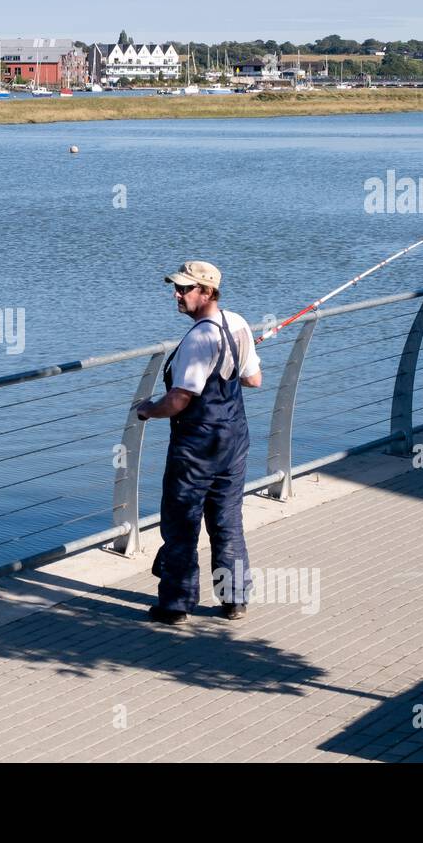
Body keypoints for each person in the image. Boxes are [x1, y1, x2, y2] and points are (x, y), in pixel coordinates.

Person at [135, 260, 262, 624]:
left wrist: (147, 410)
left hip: (197, 445)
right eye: (176, 287)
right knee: (226, 520)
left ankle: (175, 604)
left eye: (184, 289)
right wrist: (233, 360)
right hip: (234, 438)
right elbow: (254, 380)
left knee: (182, 521)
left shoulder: (197, 339)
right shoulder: (237, 324)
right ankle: (234, 600)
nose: (176, 294)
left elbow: (179, 399)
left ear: (206, 292)